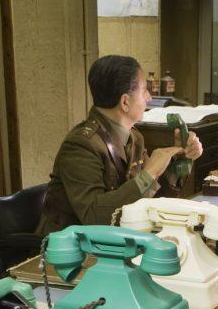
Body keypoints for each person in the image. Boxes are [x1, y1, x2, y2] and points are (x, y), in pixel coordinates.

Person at [37, 55, 202, 235]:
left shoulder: (134, 137)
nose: (149, 97)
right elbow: (95, 217)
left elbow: (151, 202)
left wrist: (177, 162)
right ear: (125, 102)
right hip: (69, 249)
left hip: (113, 241)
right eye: (144, 90)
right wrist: (149, 173)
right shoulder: (81, 145)